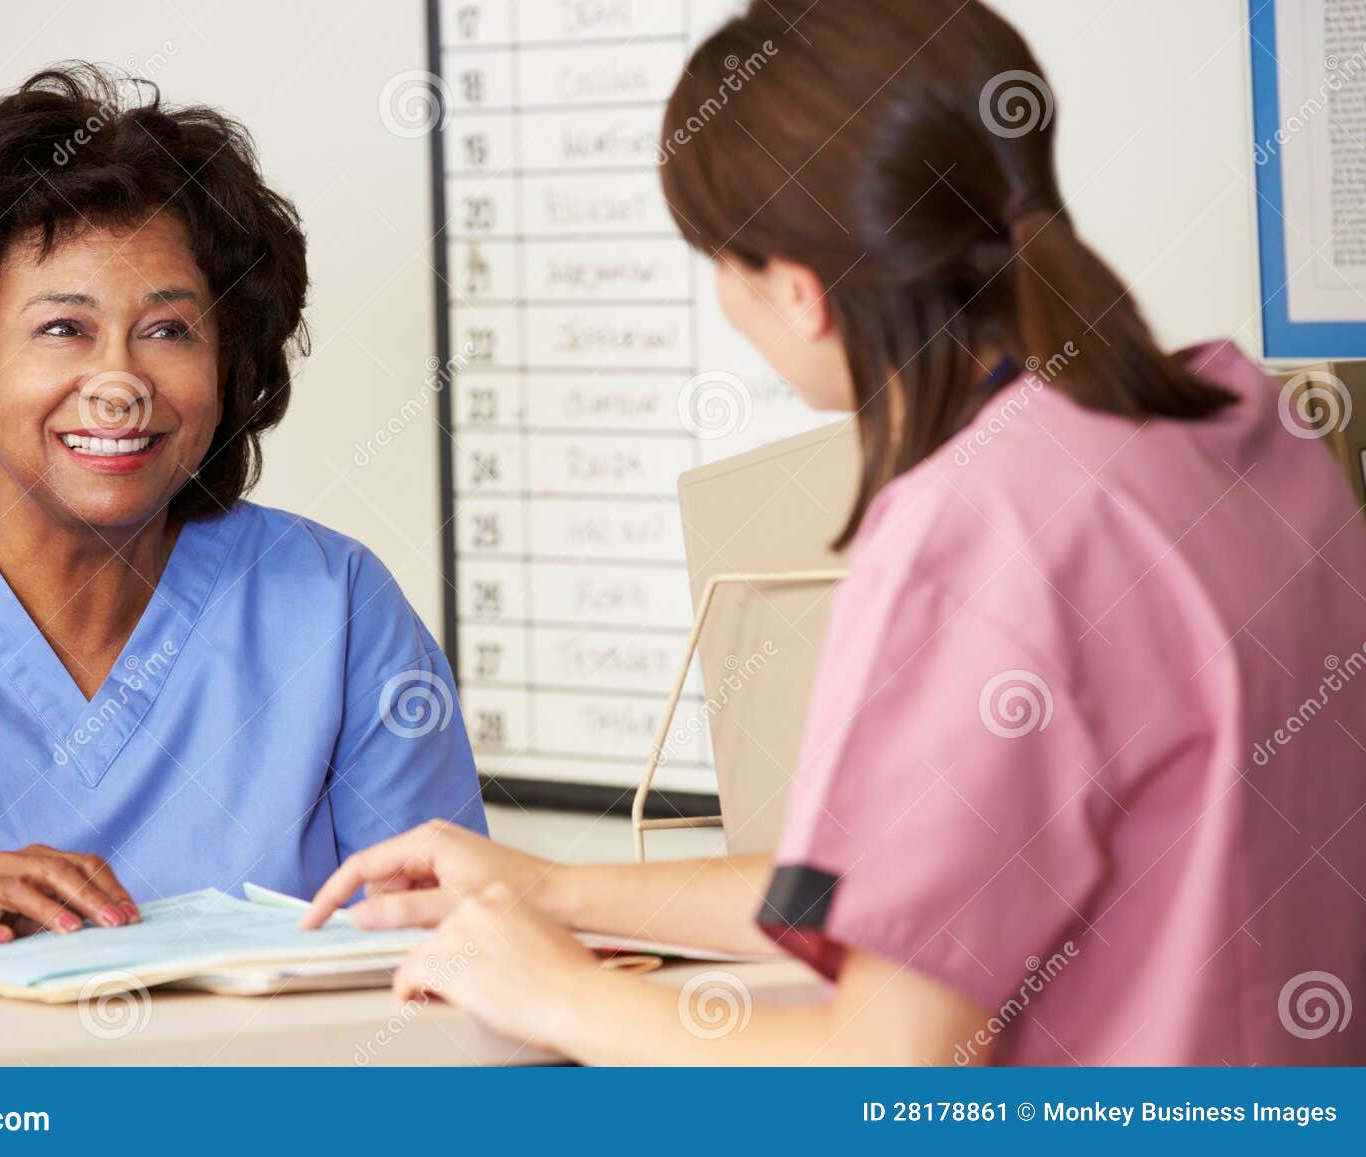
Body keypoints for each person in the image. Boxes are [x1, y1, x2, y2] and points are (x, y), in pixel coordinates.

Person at [303, 0, 1366, 1065]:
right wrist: (552, 886)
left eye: (719, 260)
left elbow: (885, 1061)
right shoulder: (1244, 426)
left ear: (800, 293)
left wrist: (558, 992)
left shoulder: (978, 529)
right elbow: (883, 889)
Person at [0, 65, 485, 984]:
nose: (120, 384)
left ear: (228, 365)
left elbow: (459, 950)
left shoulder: (336, 604)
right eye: (64, 328)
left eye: (170, 330)